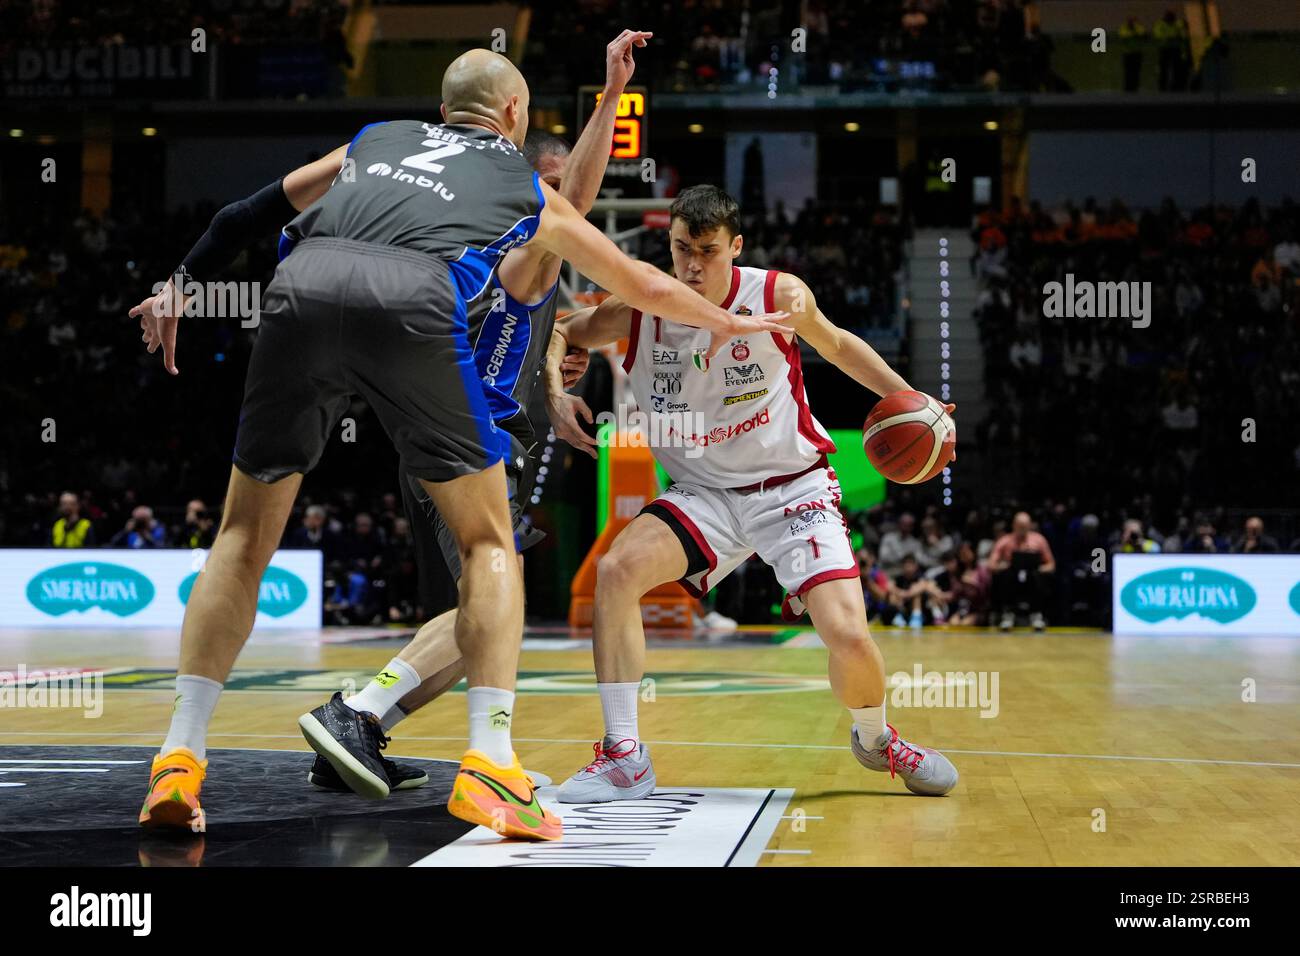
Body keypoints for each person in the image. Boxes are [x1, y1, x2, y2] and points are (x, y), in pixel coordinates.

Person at [128, 44, 790, 841]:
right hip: (437, 387)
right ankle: (473, 756)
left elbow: (243, 216)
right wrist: (736, 320)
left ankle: (181, 754)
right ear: (512, 117)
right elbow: (640, 279)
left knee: (244, 536)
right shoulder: (516, 201)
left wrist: (179, 285)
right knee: (493, 553)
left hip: (304, 291)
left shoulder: (379, 141)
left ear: (442, 113)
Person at [295, 29, 648, 796]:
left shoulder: (476, 232)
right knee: (494, 598)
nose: (553, 197)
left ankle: (356, 731)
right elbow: (577, 203)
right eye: (544, 183)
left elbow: (536, 321)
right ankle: (358, 709)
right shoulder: (517, 224)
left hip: (448, 428)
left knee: (476, 614)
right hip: (467, 435)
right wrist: (612, 96)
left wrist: (552, 380)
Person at [545, 184, 960, 803]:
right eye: (681, 248)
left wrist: (915, 400)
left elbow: (840, 345)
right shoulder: (638, 304)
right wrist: (557, 384)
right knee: (615, 571)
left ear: (734, 248)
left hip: (791, 488)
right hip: (701, 494)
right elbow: (559, 330)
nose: (691, 264)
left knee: (847, 635)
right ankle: (624, 755)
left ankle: (876, 739)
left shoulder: (778, 296)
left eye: (706, 251)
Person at [988, 511, 1055, 631]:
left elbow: (1051, 565)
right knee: (1006, 574)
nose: (1022, 529)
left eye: (1025, 527)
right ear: (1014, 525)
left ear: (1030, 526)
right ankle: (1008, 615)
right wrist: (1002, 566)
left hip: (1033, 578)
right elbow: (991, 564)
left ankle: (1036, 615)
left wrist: (1040, 568)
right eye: (1020, 526)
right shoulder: (1004, 541)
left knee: (1037, 575)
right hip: (1011, 577)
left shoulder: (1039, 540)